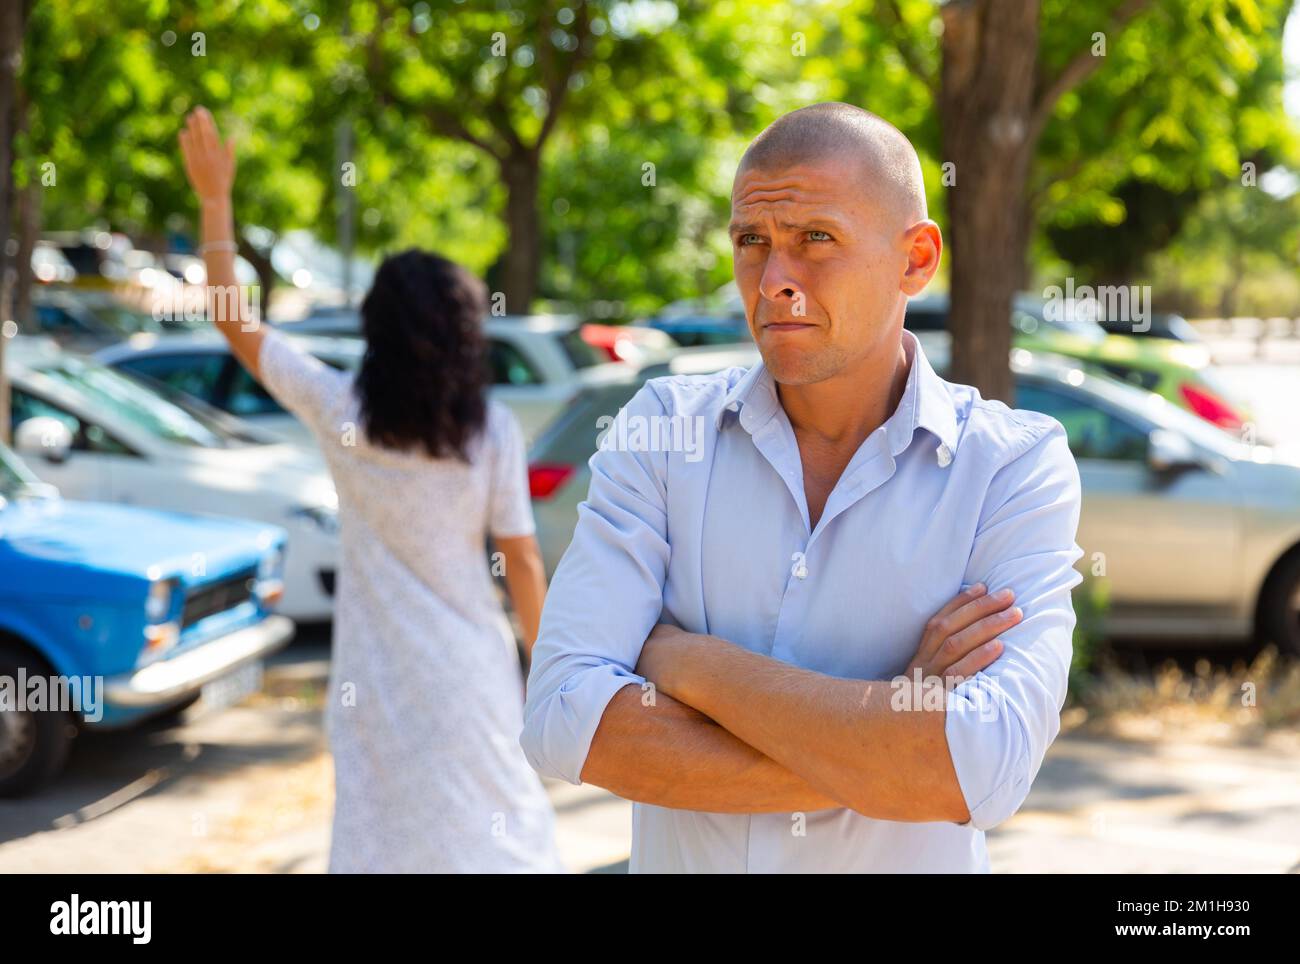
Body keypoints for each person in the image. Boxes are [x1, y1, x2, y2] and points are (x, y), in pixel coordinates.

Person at [520, 102, 1083, 873]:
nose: (774, 280)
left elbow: (982, 768)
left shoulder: (1010, 467)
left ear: (915, 260)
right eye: (752, 241)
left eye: (815, 238)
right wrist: (887, 733)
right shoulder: (662, 428)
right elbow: (560, 721)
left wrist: (689, 664)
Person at [178, 107, 564, 873]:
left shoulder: (339, 408)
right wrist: (553, 674)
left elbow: (232, 318)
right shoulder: (489, 430)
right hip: (470, 674)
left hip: (375, 684)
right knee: (500, 838)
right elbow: (520, 564)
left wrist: (216, 203)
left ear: (376, 330)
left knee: (383, 843)